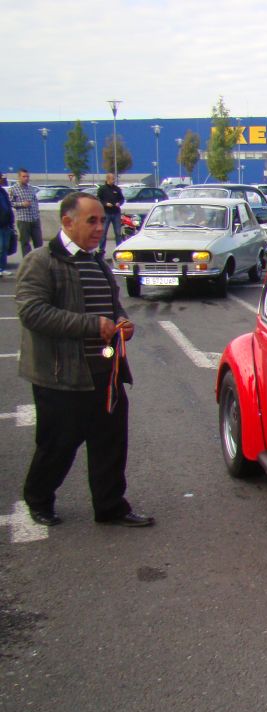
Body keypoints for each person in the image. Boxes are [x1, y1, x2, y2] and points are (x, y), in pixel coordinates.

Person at [15, 192, 152, 528]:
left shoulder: (96, 262)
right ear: (67, 222)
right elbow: (32, 312)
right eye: (91, 221)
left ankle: (110, 507)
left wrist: (120, 321)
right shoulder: (41, 261)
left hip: (106, 372)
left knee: (110, 444)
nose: (99, 228)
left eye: (102, 221)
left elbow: (110, 305)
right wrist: (93, 325)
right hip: (62, 376)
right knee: (57, 446)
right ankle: (39, 499)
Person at [10, 169, 42, 257]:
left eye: (27, 176)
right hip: (23, 220)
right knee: (25, 243)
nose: (26, 178)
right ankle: (27, 262)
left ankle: (39, 261)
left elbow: (35, 201)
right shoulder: (14, 189)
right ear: (19, 177)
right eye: (24, 176)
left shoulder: (31, 188)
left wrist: (37, 212)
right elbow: (10, 203)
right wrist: (22, 204)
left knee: (38, 242)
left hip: (34, 218)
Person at [96, 172, 125, 252]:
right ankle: (101, 250)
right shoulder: (102, 189)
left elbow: (122, 199)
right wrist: (105, 204)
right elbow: (98, 199)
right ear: (108, 179)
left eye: (114, 179)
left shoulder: (117, 189)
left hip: (116, 213)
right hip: (106, 213)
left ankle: (119, 249)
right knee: (103, 232)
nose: (114, 180)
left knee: (118, 233)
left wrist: (119, 203)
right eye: (112, 179)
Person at [0, 180, 13, 276]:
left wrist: (11, 221)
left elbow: (8, 206)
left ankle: (2, 268)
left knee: (5, 246)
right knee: (0, 247)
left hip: (6, 224)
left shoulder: (3, 192)